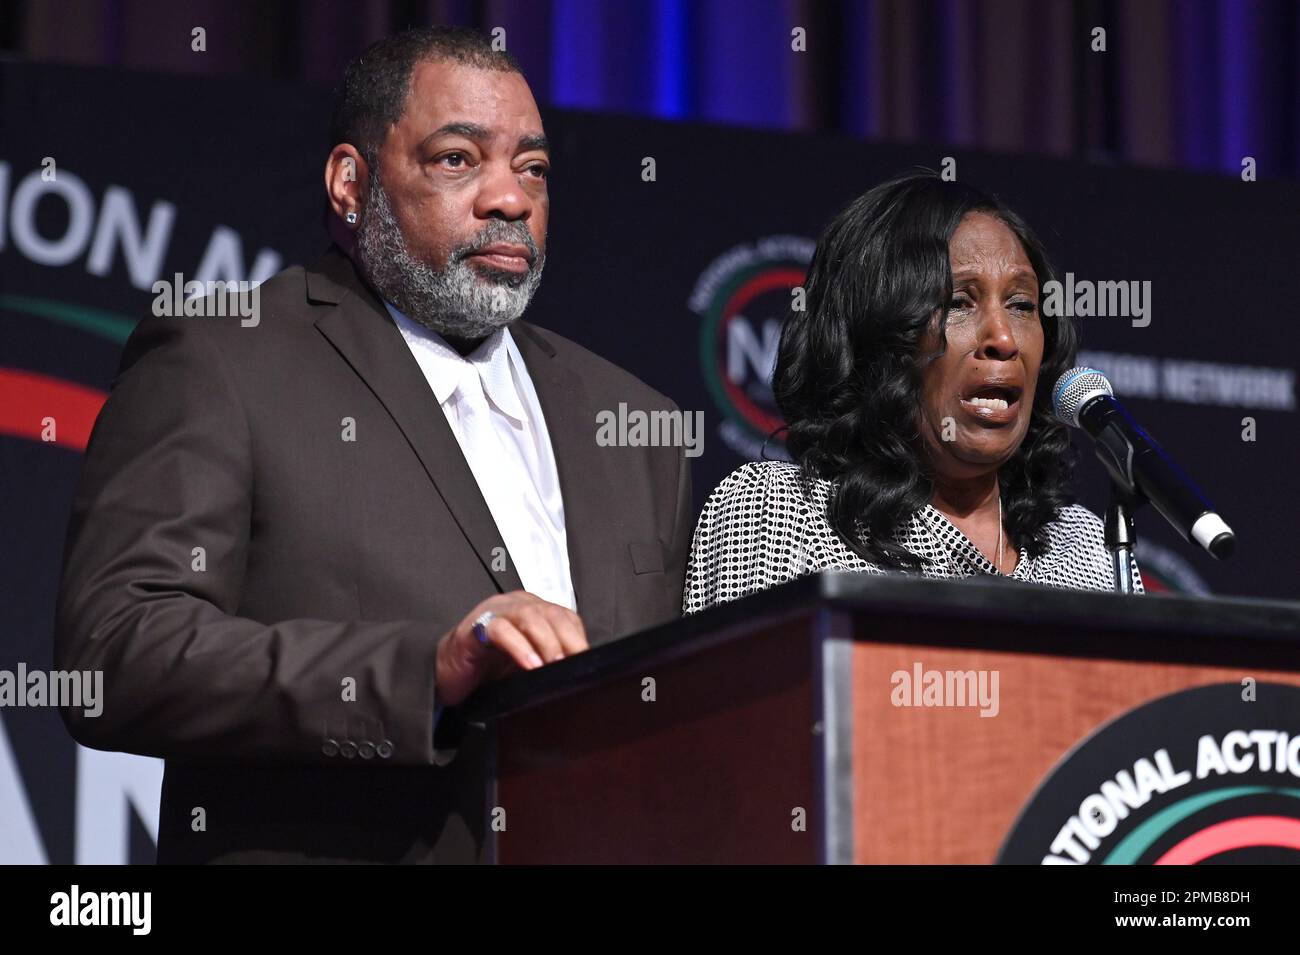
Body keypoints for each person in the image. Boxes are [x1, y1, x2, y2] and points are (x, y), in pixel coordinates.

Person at [55, 27, 692, 864]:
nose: (510, 199)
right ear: (351, 183)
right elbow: (115, 652)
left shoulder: (633, 422)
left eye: (533, 168)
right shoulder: (224, 357)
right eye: (458, 159)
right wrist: (421, 672)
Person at [683, 170, 1142, 613]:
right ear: (877, 336)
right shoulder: (781, 513)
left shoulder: (1085, 544)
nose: (1003, 339)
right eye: (959, 302)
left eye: (1022, 305)